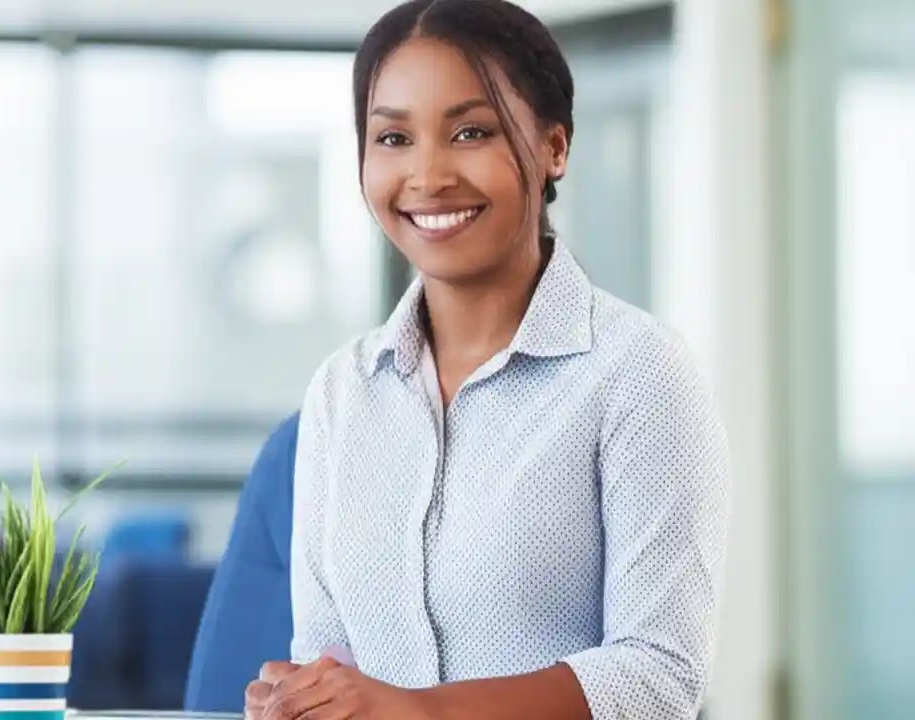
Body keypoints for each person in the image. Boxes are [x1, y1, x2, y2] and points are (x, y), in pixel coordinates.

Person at [244, 1, 731, 719]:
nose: (428, 174)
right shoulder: (343, 391)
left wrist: (415, 711)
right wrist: (300, 699)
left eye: (471, 132)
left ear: (554, 147)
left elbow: (659, 679)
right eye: (393, 138)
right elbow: (328, 655)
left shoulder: (639, 374)